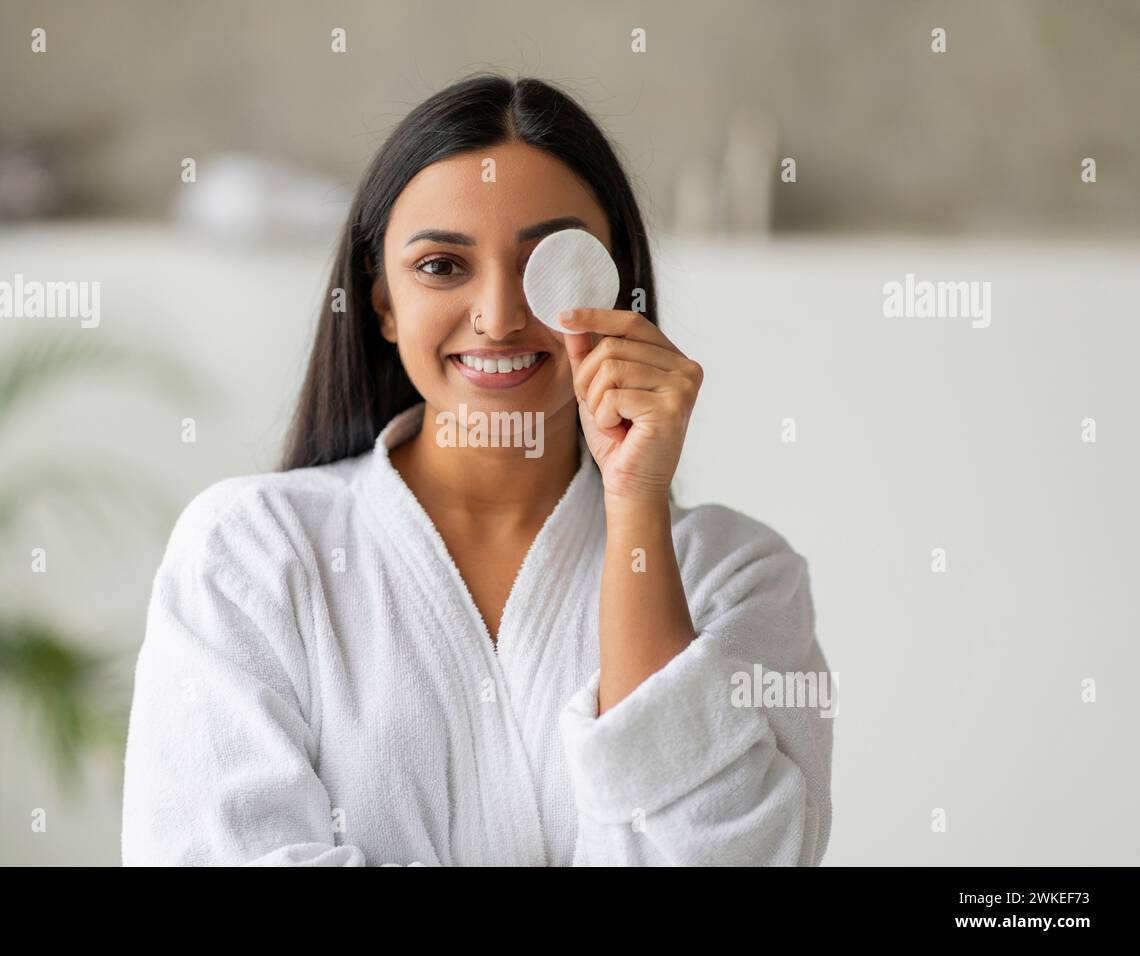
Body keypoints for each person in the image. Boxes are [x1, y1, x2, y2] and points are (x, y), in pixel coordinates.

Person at [121, 73, 833, 866]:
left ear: (617, 286)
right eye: (440, 266)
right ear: (382, 300)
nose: (498, 317)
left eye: (546, 266)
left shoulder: (738, 580)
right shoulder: (248, 555)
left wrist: (635, 502)